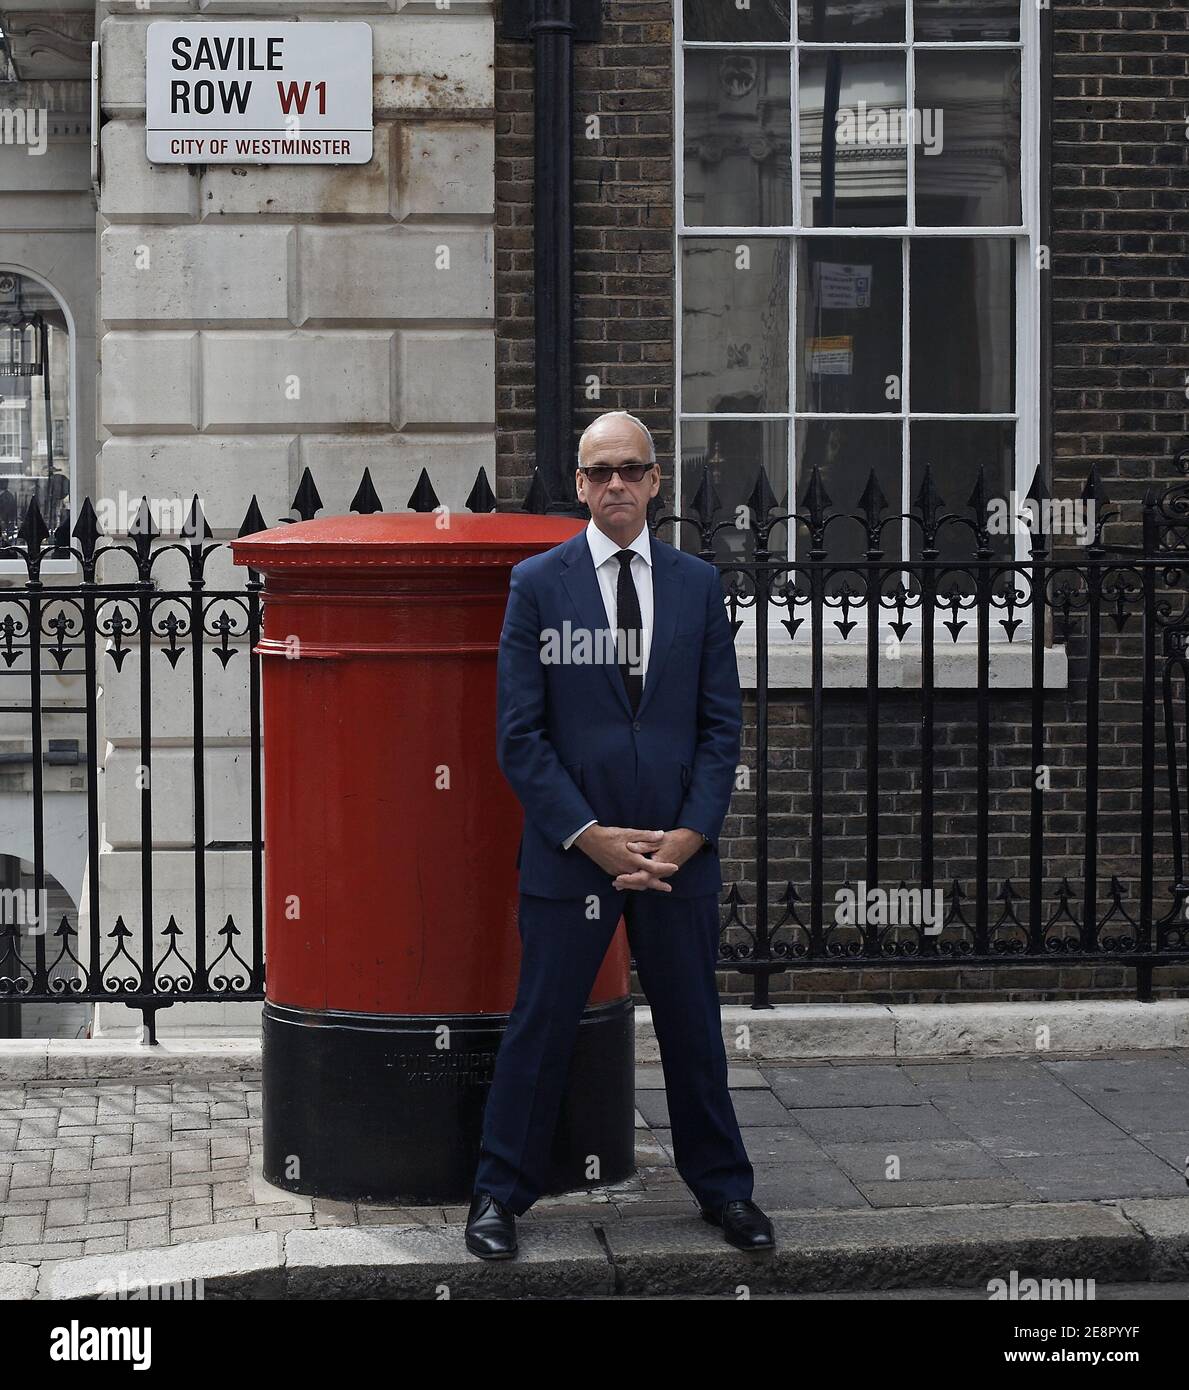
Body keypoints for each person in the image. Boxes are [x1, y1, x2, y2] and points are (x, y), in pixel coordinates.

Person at [465, 410, 774, 1259]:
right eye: (599, 472)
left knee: (691, 1025)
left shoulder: (697, 585)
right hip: (575, 854)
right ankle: (498, 1195)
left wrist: (689, 834)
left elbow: (720, 730)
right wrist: (589, 835)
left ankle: (724, 1192)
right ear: (578, 485)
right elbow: (518, 738)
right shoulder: (538, 584)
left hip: (676, 855)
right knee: (542, 1023)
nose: (614, 486)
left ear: (655, 479)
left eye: (629, 470)